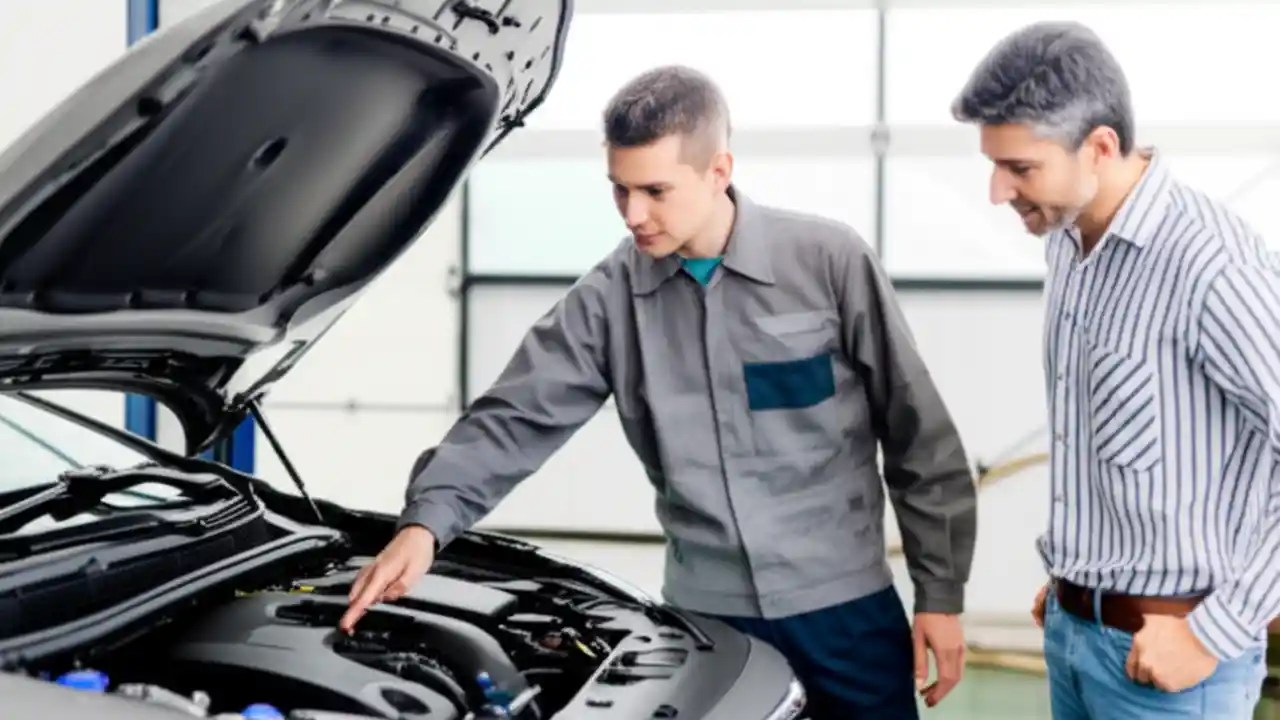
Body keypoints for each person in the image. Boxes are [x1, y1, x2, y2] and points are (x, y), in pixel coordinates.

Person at [340, 64, 978, 719]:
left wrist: (941, 593)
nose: (633, 215)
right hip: (710, 624)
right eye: (619, 190)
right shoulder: (608, 301)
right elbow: (514, 419)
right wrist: (427, 521)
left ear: (718, 171)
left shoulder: (827, 262)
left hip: (845, 613)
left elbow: (916, 433)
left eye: (655, 190)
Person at [952, 20, 1280, 719]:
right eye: (994, 164)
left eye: (1020, 168)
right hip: (1077, 636)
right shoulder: (1067, 244)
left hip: (1175, 665)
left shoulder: (1212, 265)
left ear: (1100, 147)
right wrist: (1080, 579)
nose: (997, 191)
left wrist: (1214, 632)